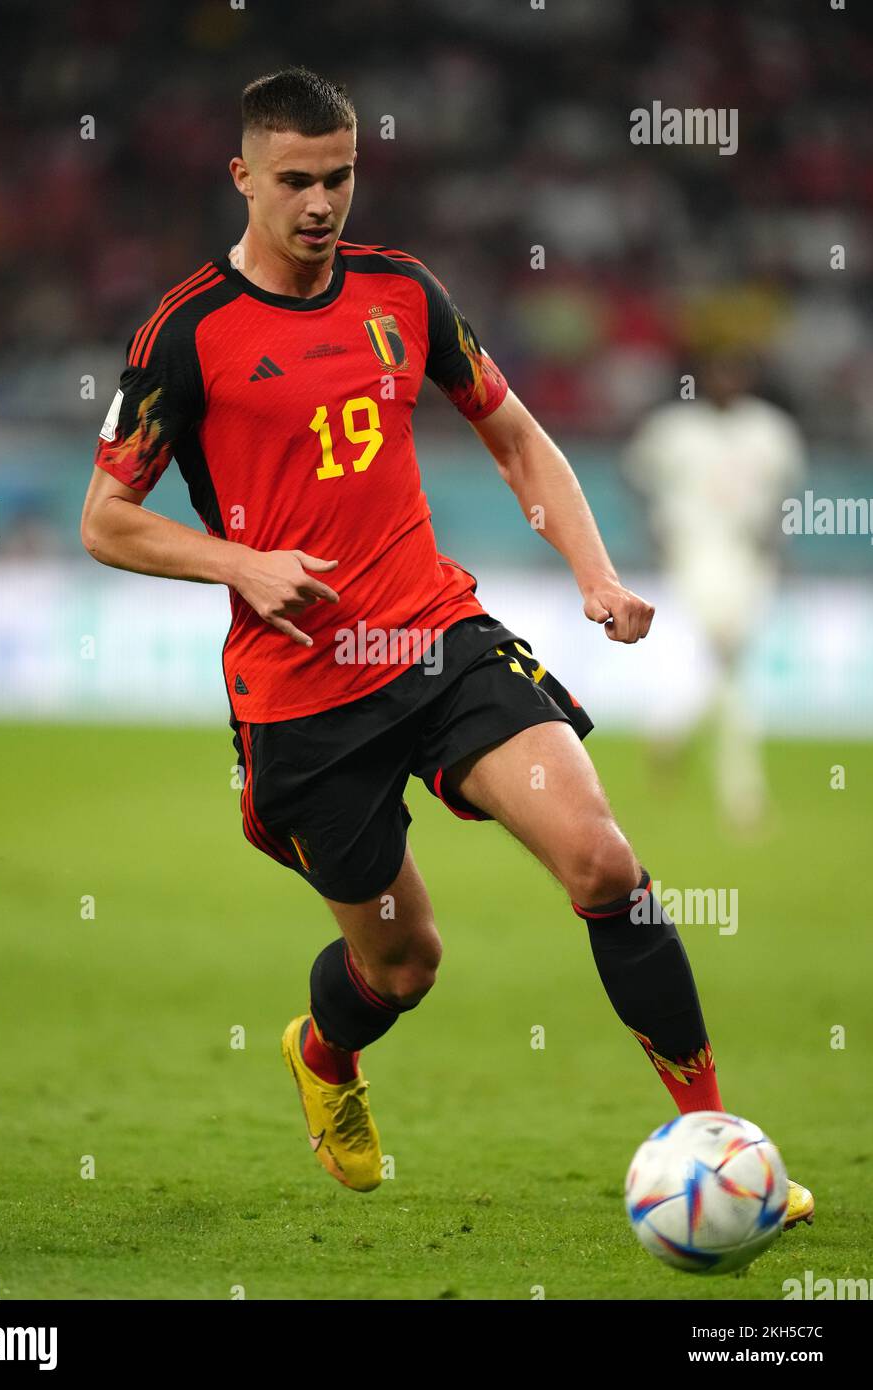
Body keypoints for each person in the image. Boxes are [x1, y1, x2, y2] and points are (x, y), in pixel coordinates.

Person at [80, 67, 812, 1230]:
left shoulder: (401, 293)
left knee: (606, 867)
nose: (321, 203)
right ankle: (324, 1054)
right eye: (295, 182)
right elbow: (105, 519)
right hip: (303, 697)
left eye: (340, 176)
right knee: (403, 967)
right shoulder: (187, 332)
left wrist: (597, 575)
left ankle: (716, 1142)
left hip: (437, 637)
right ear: (243, 178)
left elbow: (516, 439)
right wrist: (243, 564)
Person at [625, 355, 807, 829]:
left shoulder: (770, 430)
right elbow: (635, 477)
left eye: (737, 370)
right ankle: (743, 795)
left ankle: (672, 729)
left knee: (728, 667)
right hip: (698, 555)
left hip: (750, 558)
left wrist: (776, 536)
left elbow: (787, 493)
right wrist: (658, 531)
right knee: (729, 662)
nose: (728, 380)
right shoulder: (675, 428)